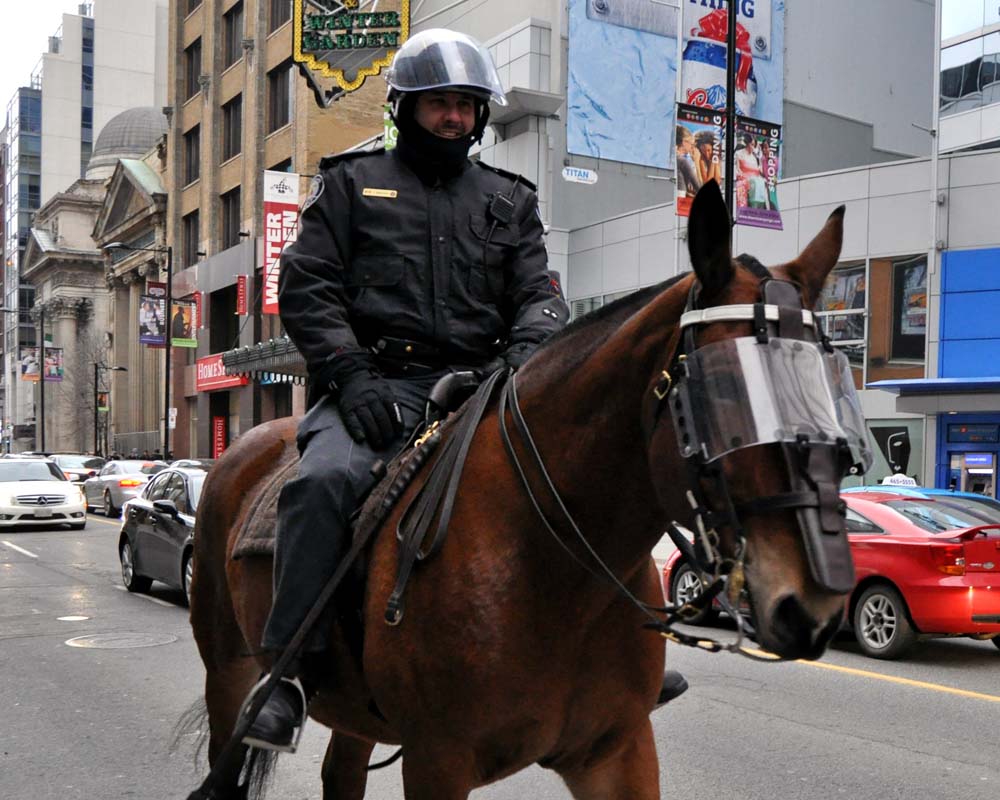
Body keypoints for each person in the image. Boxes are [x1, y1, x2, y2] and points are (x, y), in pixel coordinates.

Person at [240, 29, 572, 753]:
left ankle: (608, 653)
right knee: (322, 483)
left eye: (466, 105)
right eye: (439, 104)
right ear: (406, 108)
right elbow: (307, 287)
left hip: (482, 390)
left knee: (575, 475)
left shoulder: (510, 200)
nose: (454, 117)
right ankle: (286, 674)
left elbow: (541, 298)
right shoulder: (352, 184)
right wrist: (351, 377)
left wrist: (518, 363)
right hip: (373, 388)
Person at [675, 125, 702, 199]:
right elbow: (698, 187)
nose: (692, 147)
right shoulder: (682, 161)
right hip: (679, 199)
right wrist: (697, 162)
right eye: (692, 144)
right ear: (684, 142)